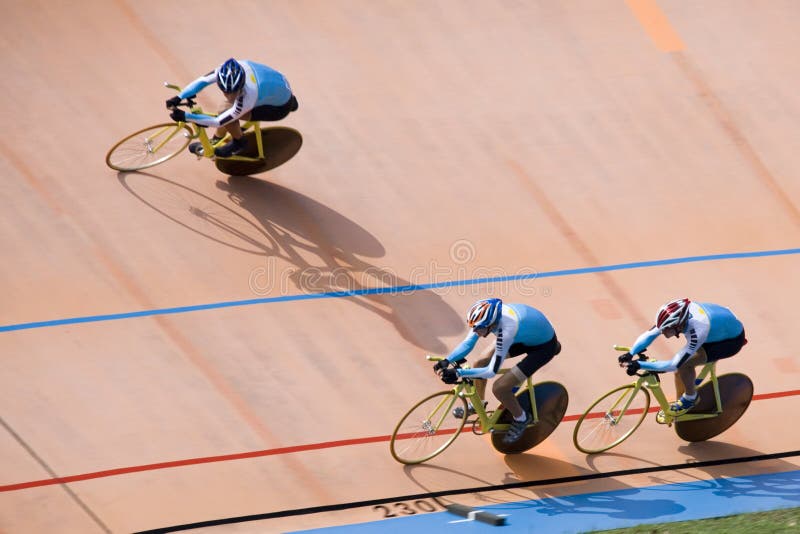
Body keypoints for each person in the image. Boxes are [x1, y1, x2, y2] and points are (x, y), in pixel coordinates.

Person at [433, 298, 561, 444]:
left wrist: (458, 373)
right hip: (523, 337)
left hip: (542, 348)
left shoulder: (507, 329)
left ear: (491, 323)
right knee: (479, 362)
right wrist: (446, 360)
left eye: (479, 329)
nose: (476, 332)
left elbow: (490, 371)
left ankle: (522, 418)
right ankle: (477, 405)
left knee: (500, 388)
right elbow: (468, 343)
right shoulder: (485, 319)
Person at [620, 298, 747, 414]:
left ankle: (691, 398)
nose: (663, 332)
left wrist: (640, 364)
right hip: (718, 327)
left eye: (666, 329)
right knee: (680, 371)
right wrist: (630, 353)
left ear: (679, 325)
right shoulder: (674, 316)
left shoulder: (698, 330)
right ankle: (681, 405)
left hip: (729, 341)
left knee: (684, 366)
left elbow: (674, 365)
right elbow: (651, 334)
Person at [165, 58, 298, 158]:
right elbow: (202, 81)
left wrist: (187, 117)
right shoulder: (225, 71)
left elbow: (219, 121)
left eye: (234, 91)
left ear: (242, 84)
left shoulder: (250, 94)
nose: (229, 95)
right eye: (225, 91)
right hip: (276, 86)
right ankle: (217, 139)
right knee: (228, 107)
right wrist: (179, 97)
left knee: (225, 110)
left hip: (278, 108)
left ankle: (239, 142)